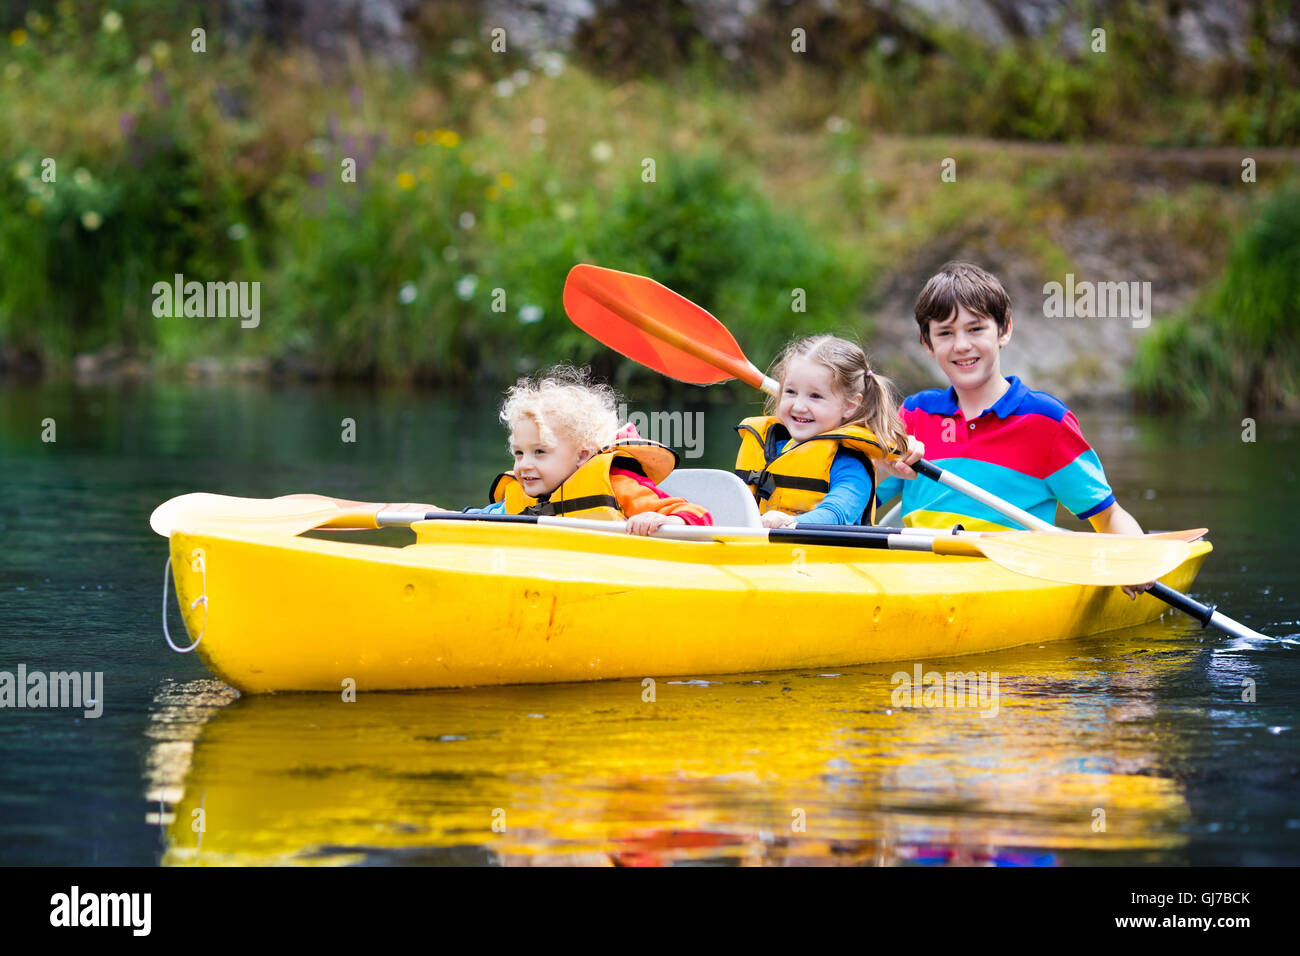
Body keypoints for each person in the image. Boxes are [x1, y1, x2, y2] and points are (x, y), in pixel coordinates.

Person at [873, 261, 1151, 595]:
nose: (961, 345)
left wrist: (1138, 563)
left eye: (976, 329)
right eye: (945, 333)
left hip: (1009, 582)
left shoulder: (1045, 422)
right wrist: (881, 468)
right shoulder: (914, 414)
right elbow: (862, 499)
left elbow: (1108, 518)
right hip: (919, 579)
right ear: (927, 344)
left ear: (1004, 330)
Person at [434, 366, 711, 535]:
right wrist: (431, 513)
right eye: (519, 453)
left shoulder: (619, 486)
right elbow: (471, 519)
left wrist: (662, 518)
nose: (524, 465)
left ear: (581, 455)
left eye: (540, 452)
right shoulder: (519, 499)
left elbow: (699, 516)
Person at [733, 335, 924, 528]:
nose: (799, 406)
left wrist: (792, 523)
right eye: (791, 392)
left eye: (815, 396)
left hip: (828, 557)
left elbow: (836, 515)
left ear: (850, 406)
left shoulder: (850, 464)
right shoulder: (772, 448)